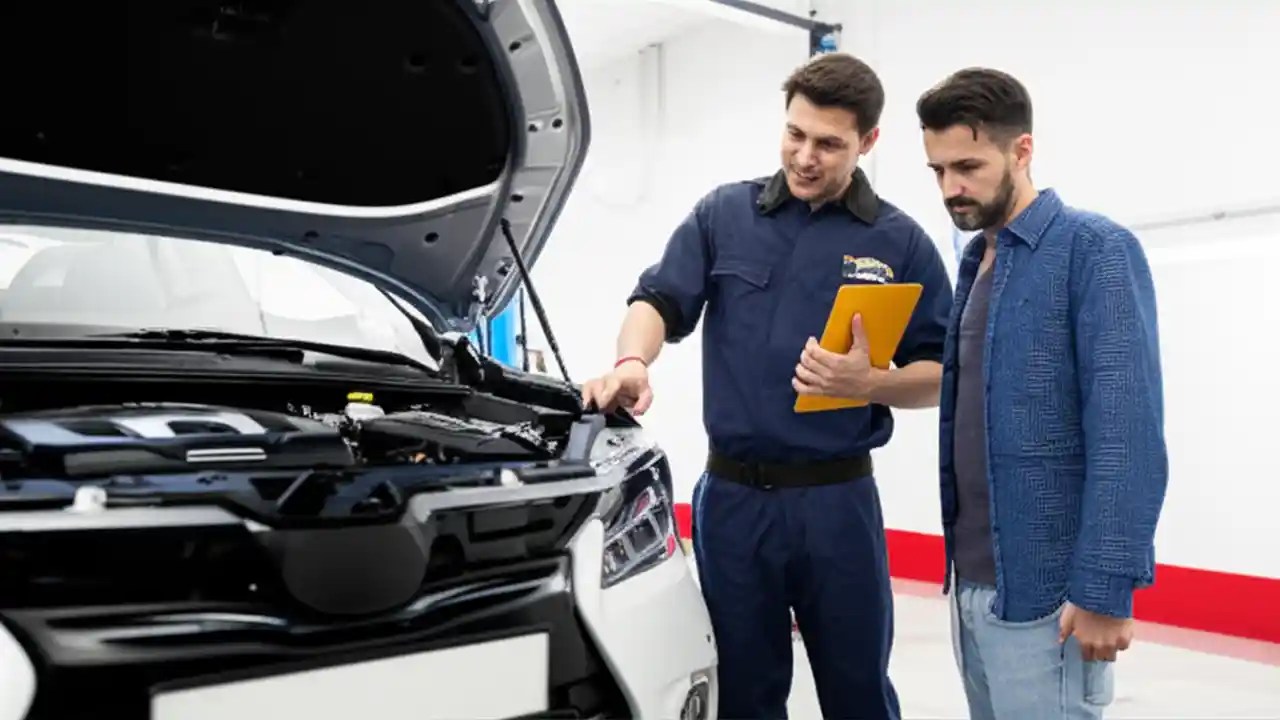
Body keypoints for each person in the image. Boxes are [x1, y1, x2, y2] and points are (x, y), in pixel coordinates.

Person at [580, 53, 954, 720]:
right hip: (735, 504)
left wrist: (872, 382)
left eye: (828, 144)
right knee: (745, 696)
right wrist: (633, 360)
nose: (805, 157)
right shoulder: (724, 215)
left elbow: (943, 374)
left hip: (838, 504)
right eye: (794, 133)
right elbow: (657, 300)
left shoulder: (900, 242)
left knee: (859, 692)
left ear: (868, 142)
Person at [916, 67, 1169, 720]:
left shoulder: (1094, 249)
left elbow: (1128, 430)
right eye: (938, 170)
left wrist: (1106, 587)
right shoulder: (977, 262)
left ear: (1022, 150)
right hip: (972, 590)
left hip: (1048, 601)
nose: (950, 187)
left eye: (968, 167)